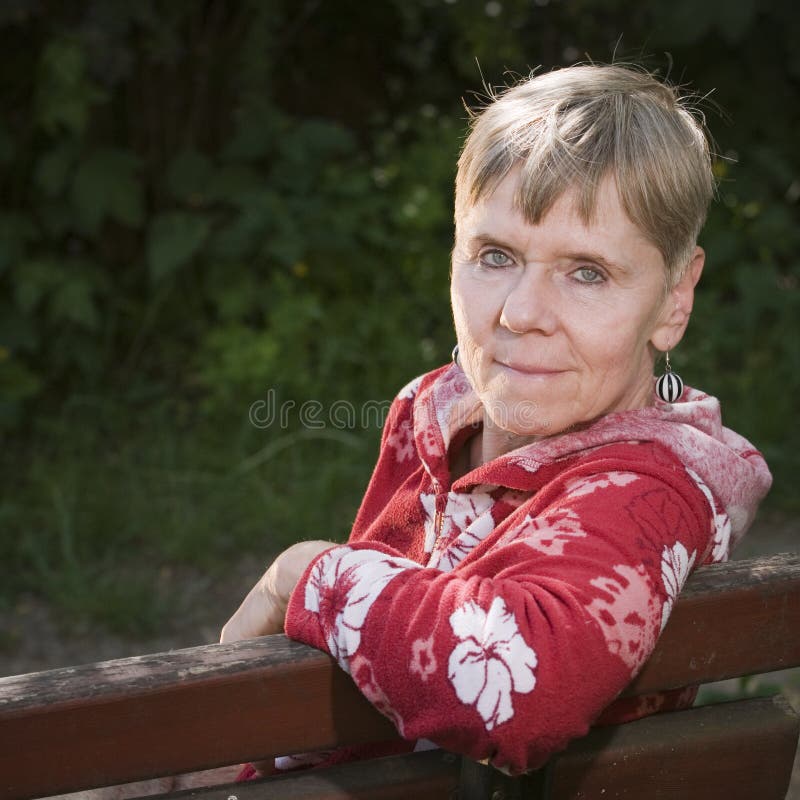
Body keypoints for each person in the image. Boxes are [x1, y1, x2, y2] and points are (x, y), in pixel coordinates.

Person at [220, 63, 772, 777]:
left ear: (674, 299)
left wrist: (300, 575)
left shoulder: (644, 492)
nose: (521, 313)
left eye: (587, 272)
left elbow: (520, 690)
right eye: (495, 256)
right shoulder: (431, 409)